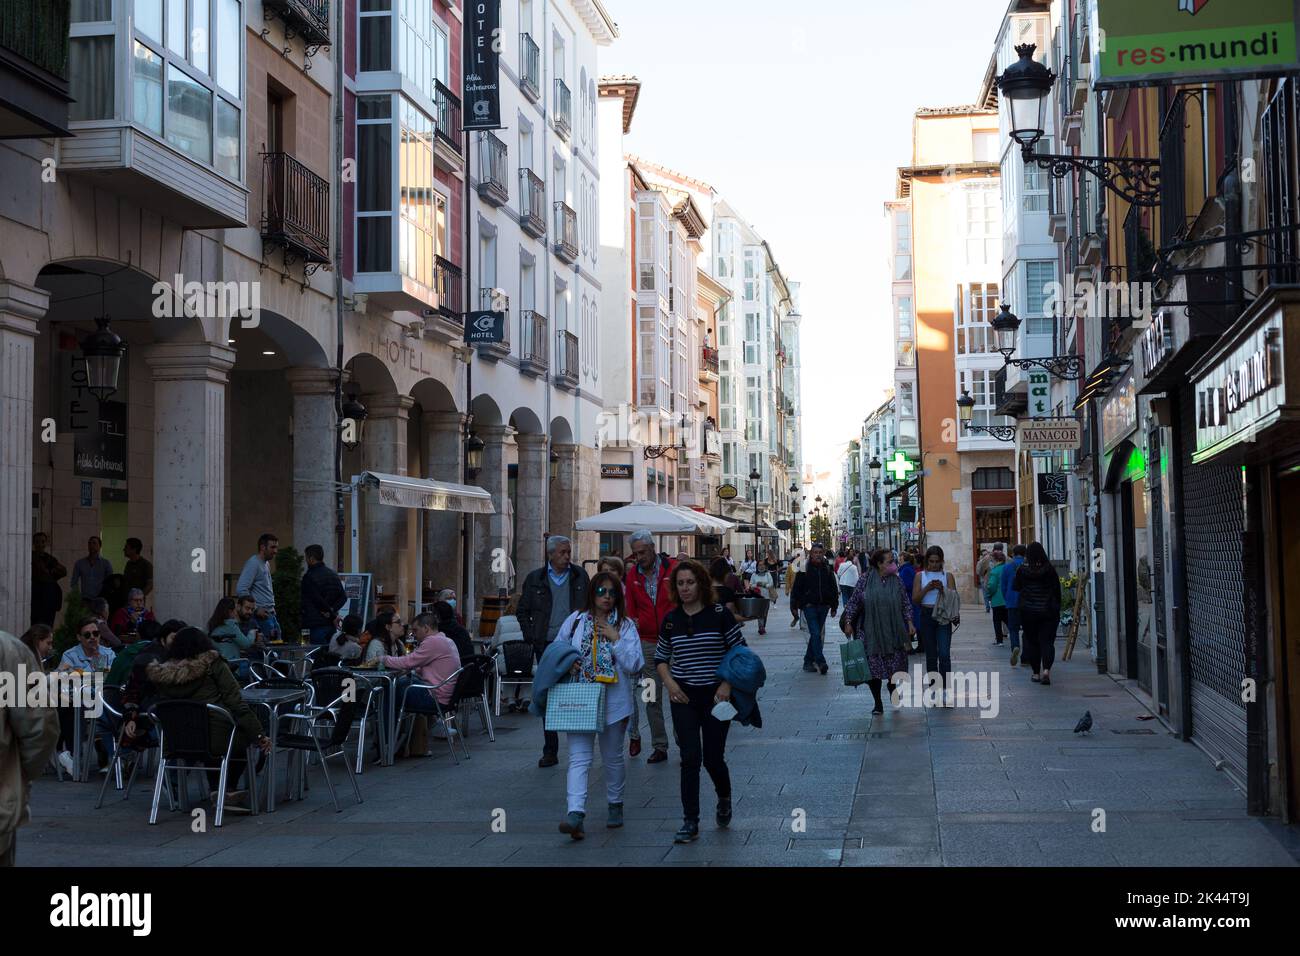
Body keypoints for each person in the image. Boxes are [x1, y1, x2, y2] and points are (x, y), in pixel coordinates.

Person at [656, 560, 746, 845]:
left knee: (713, 758)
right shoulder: (671, 620)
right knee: (690, 758)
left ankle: (724, 797)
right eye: (680, 583)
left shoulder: (719, 614)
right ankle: (690, 821)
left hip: (717, 695)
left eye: (690, 582)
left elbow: (739, 651)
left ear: (701, 584)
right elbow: (660, 658)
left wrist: (726, 684)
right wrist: (670, 685)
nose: (685, 588)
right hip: (683, 697)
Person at [552, 572, 644, 840]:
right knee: (578, 757)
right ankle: (575, 813)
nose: (606, 597)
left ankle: (615, 804)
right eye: (601, 591)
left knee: (613, 757)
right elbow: (558, 650)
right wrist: (569, 662)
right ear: (592, 593)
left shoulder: (625, 626)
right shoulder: (575, 621)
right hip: (579, 697)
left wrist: (616, 639)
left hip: (613, 701)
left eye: (612, 592)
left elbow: (635, 665)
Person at [146, 627, 271, 811]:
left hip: (175, 740)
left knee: (213, 731)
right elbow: (236, 702)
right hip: (213, 737)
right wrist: (259, 735)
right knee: (237, 734)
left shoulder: (162, 674)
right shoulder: (213, 664)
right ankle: (226, 788)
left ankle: (217, 790)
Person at [515, 535, 590, 768]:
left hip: (574, 644)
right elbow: (522, 610)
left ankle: (579, 743)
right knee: (548, 692)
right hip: (546, 645)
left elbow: (588, 606)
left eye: (569, 552)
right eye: (562, 552)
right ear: (550, 554)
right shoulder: (535, 579)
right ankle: (550, 749)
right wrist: (532, 635)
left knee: (575, 691)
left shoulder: (579, 576)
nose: (567, 556)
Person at [0, 628, 60, 867]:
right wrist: (17, 776)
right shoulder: (8, 651)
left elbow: (40, 726)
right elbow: (40, 727)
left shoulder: (8, 652)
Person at [840, 549, 914, 714]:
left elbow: (905, 603)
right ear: (879, 564)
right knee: (873, 669)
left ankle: (893, 689)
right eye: (889, 561)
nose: (893, 564)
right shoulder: (865, 580)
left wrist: (909, 622)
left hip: (894, 631)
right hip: (870, 632)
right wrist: (848, 622)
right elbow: (853, 603)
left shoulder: (897, 581)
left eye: (893, 561)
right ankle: (877, 702)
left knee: (894, 668)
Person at [623, 529, 675, 763]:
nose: (639, 557)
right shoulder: (632, 575)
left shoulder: (671, 569)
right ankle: (659, 745)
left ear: (653, 548)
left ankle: (683, 740)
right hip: (648, 644)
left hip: (675, 642)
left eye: (643, 552)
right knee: (651, 696)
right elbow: (630, 607)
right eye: (635, 554)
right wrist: (635, 624)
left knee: (678, 692)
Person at [379, 615, 460, 744]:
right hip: (444, 696)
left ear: (426, 628)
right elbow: (428, 667)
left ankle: (386, 743)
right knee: (400, 685)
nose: (413, 634)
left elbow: (408, 661)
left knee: (387, 691)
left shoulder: (433, 642)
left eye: (416, 630)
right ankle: (400, 740)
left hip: (434, 697)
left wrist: (383, 659)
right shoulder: (446, 640)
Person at [913, 545, 958, 703]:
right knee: (931, 655)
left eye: (937, 562)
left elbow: (954, 598)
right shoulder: (920, 576)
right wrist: (927, 588)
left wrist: (942, 589)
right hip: (926, 615)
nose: (934, 565)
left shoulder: (948, 576)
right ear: (927, 561)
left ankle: (945, 689)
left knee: (944, 654)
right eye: (931, 561)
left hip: (943, 616)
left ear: (942, 561)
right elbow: (916, 599)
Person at [1014, 543, 1062, 685]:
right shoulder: (1049, 570)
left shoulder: (1022, 570)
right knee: (1047, 642)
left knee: (1033, 642)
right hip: (1047, 612)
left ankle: (1036, 673)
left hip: (1028, 612)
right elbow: (1056, 591)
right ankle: (1046, 671)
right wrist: (1056, 607)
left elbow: (1016, 587)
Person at [790, 543, 839, 675]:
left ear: (823, 553)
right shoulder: (804, 569)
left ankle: (807, 661)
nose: (817, 555)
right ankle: (820, 661)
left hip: (824, 606)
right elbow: (796, 589)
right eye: (815, 552)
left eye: (819, 552)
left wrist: (834, 605)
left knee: (815, 635)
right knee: (816, 633)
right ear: (811, 554)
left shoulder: (827, 568)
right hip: (809, 606)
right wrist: (794, 606)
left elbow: (833, 587)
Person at [235, 533, 281, 642]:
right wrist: (255, 610)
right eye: (272, 547)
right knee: (266, 654)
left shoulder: (266, 564)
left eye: (276, 547)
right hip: (261, 618)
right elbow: (241, 589)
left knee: (275, 651)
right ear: (262, 547)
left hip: (270, 615)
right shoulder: (253, 563)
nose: (275, 551)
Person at [300, 544, 347, 645]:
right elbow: (343, 597)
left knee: (311, 654)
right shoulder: (333, 575)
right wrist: (333, 611)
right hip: (330, 625)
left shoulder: (308, 577)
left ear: (311, 559)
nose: (306, 561)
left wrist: (328, 612)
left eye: (306, 558)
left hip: (312, 624)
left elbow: (317, 600)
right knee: (329, 655)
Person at [208, 597, 255, 681]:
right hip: (232, 667)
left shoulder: (212, 624)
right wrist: (252, 633)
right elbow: (246, 644)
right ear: (231, 611)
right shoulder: (230, 625)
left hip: (215, 667)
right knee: (256, 671)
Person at [30, 532, 67, 627]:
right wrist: (49, 572)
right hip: (36, 596)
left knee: (48, 624)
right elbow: (42, 571)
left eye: (42, 542)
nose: (40, 544)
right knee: (35, 625)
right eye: (37, 542)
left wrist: (51, 572)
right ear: (34, 543)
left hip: (49, 597)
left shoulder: (49, 558)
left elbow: (63, 571)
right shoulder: (30, 556)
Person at [1002, 544, 1027, 667]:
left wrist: (1007, 598)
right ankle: (1025, 658)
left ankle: (1015, 647)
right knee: (1027, 630)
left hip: (1012, 602)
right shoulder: (1028, 566)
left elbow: (1003, 586)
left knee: (1013, 629)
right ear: (1025, 554)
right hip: (1027, 602)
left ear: (1013, 554)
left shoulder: (1007, 567)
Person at [70, 535, 113, 601]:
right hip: (85, 599)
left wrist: (106, 595)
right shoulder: (80, 563)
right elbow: (74, 582)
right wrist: (77, 596)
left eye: (94, 543)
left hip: (101, 599)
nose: (91, 546)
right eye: (89, 543)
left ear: (100, 546)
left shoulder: (106, 564)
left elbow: (110, 582)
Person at [984, 547, 1008, 646]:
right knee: (1008, 619)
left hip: (997, 600)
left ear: (995, 560)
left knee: (997, 621)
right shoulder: (1007, 568)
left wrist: (988, 595)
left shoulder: (995, 571)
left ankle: (999, 640)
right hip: (1007, 599)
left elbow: (992, 586)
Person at [897, 551, 920, 651]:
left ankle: (908, 647)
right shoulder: (907, 569)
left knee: (908, 622)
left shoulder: (906, 570)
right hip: (909, 598)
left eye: (900, 559)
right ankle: (909, 646)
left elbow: (908, 585)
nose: (899, 561)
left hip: (909, 599)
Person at [785, 549, 805, 629]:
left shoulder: (805, 566)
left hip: (803, 590)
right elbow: (787, 578)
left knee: (803, 607)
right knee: (792, 607)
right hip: (793, 589)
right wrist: (787, 589)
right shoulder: (790, 566)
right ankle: (796, 617)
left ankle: (802, 624)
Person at [975, 548, 993, 614]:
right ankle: (987, 607)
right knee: (985, 595)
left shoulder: (992, 561)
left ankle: (991, 606)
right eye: (984, 554)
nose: (986, 556)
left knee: (990, 594)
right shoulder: (980, 562)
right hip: (984, 580)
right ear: (982, 555)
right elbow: (977, 572)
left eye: (986, 554)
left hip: (991, 580)